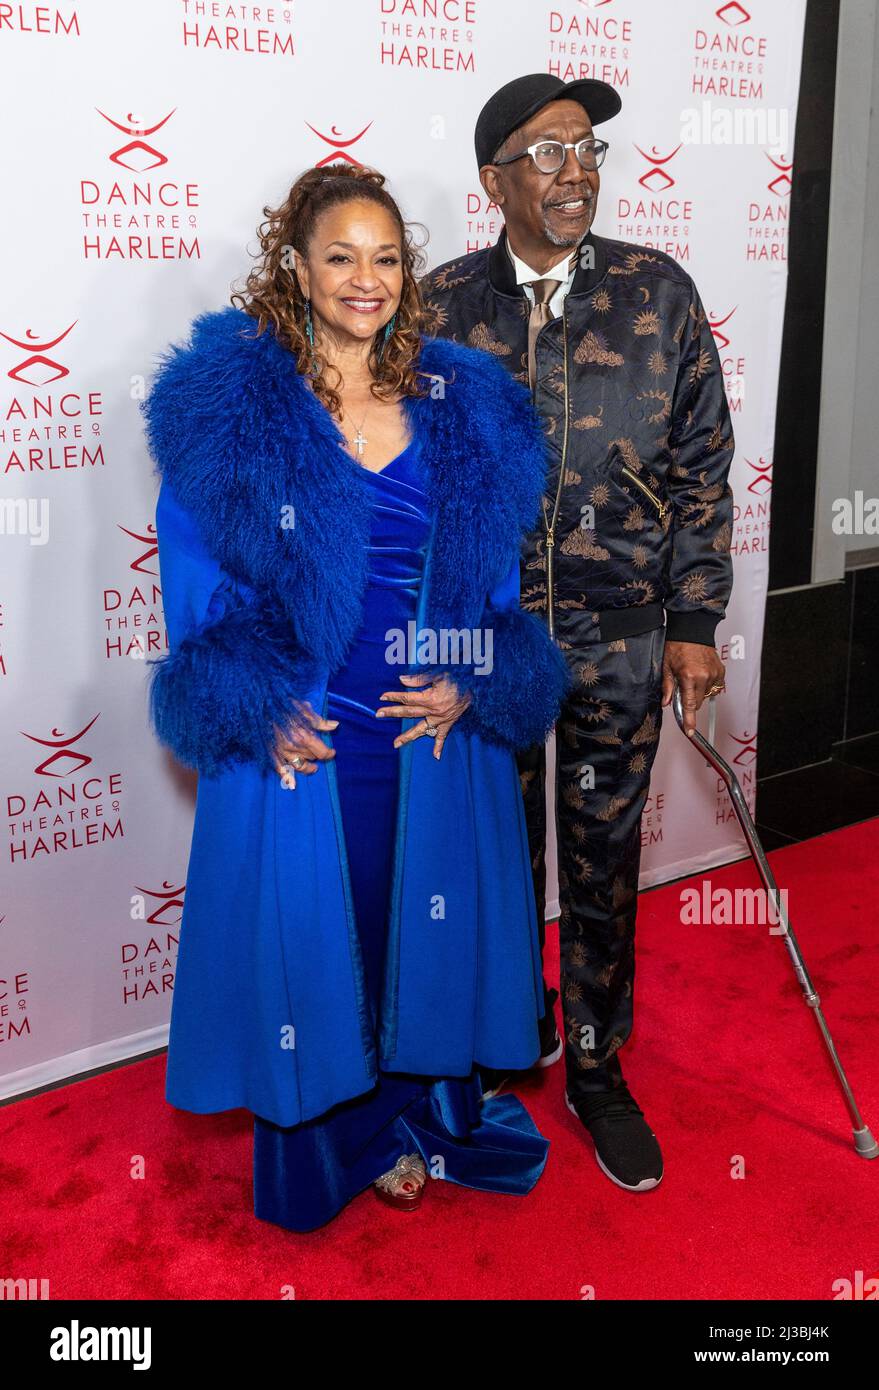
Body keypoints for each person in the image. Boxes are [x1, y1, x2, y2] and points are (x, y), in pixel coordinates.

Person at [140, 162, 571, 1230]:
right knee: (321, 936)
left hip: (429, 728)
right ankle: (336, 1138)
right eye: (340, 255)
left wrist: (476, 681)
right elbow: (194, 581)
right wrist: (254, 703)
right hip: (311, 727)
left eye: (386, 257)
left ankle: (417, 1119)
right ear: (295, 267)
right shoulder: (234, 413)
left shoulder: (462, 402)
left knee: (420, 923)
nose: (364, 278)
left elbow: (493, 586)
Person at [421, 74, 735, 1193]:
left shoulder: (658, 294)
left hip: (621, 630)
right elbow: (400, 473)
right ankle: (514, 1038)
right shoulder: (440, 306)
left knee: (601, 855)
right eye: (548, 152)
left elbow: (703, 463)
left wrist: (695, 616)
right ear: (494, 177)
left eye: (589, 147)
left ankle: (599, 1065)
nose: (577, 171)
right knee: (497, 852)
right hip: (487, 641)